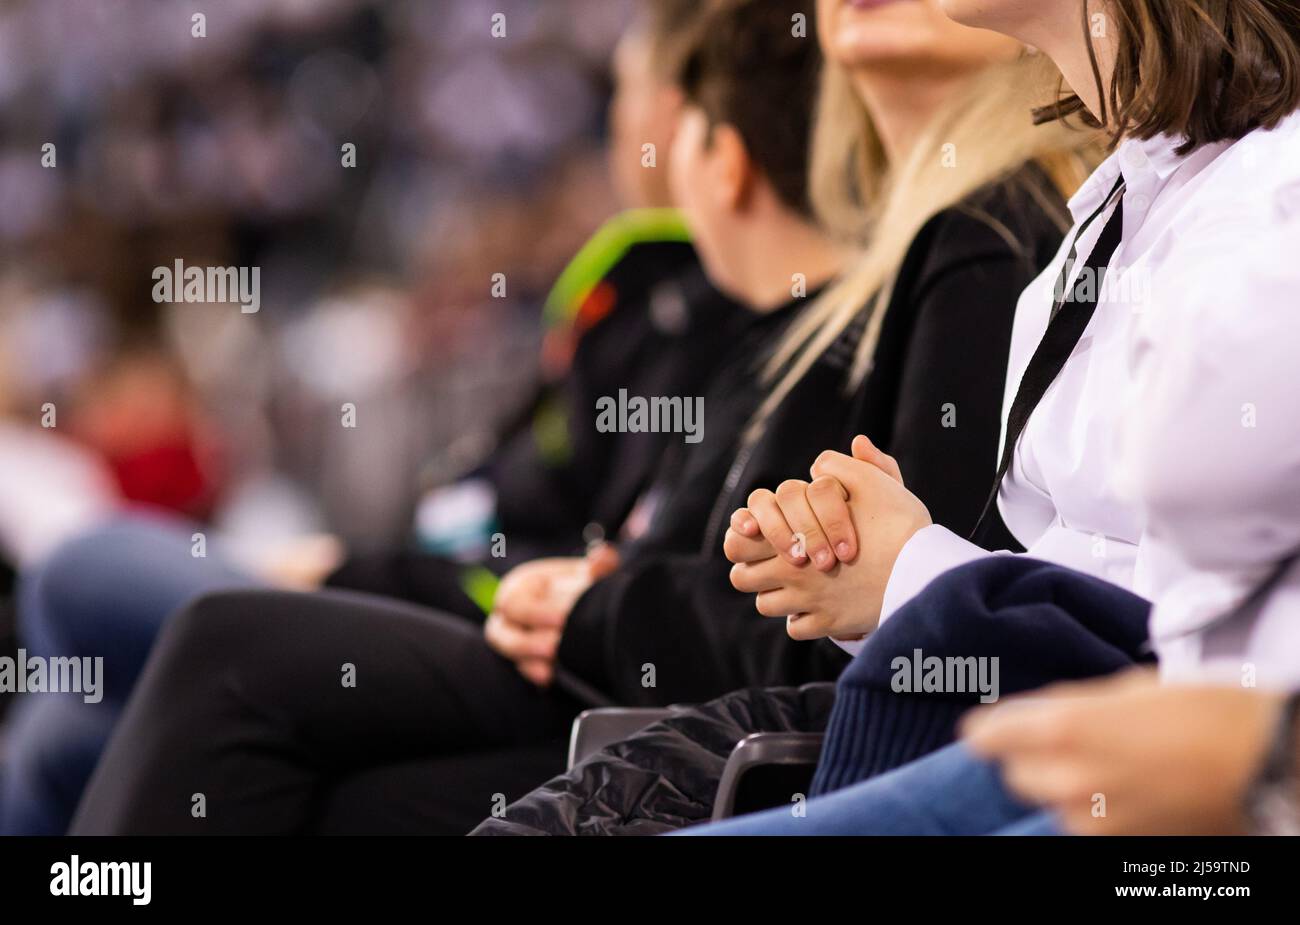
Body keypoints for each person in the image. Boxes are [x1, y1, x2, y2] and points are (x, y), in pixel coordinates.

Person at [71, 0, 1082, 835]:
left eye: (648, 108)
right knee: (125, 730)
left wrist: (597, 603)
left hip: (699, 709)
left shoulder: (987, 238)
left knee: (180, 625)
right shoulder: (882, 258)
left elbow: (893, 614)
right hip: (629, 661)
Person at [0, 0, 746, 835]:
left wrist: (346, 575)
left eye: (626, 91)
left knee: (85, 571)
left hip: (490, 634)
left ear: (687, 118)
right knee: (76, 723)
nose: (617, 125)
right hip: (435, 601)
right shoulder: (647, 286)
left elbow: (591, 562)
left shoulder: (711, 309)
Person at [688, 0, 1300, 836]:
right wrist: (898, 564)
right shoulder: (1114, 213)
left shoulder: (1255, 190)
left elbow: (1174, 642)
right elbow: (1114, 593)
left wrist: (913, 574)